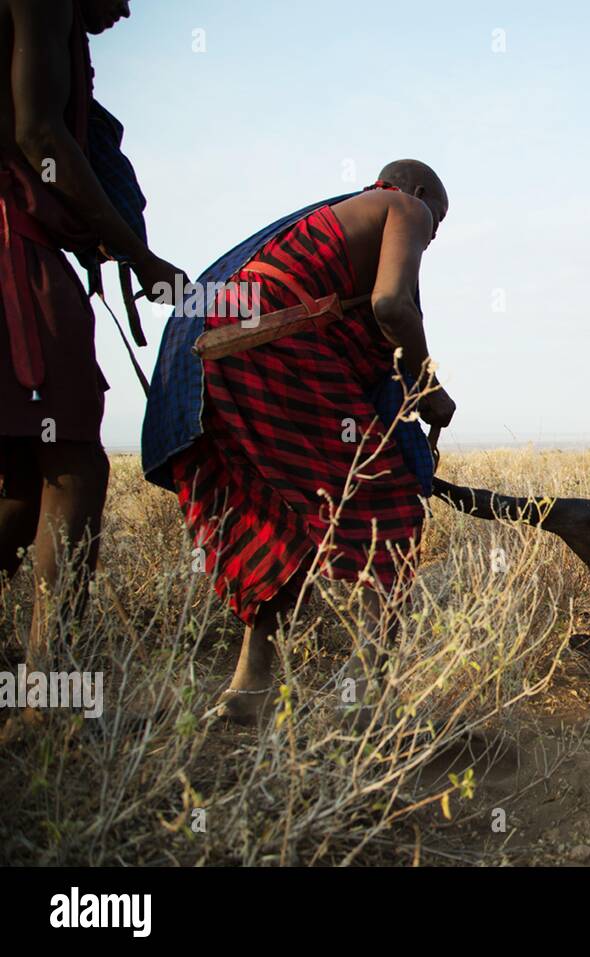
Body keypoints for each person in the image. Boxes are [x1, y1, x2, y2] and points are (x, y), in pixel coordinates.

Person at [145, 160, 453, 722]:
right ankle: (367, 704)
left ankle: (248, 691)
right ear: (419, 192)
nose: (428, 239)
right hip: (275, 351)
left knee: (286, 522)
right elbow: (390, 306)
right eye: (436, 227)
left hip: (216, 357)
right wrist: (426, 385)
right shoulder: (403, 205)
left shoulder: (326, 221)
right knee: (389, 506)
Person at [0, 0, 185, 661]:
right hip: (14, 249)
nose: (129, 9)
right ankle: (49, 698)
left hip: (24, 242)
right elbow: (41, 136)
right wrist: (140, 256)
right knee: (73, 464)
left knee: (22, 473)